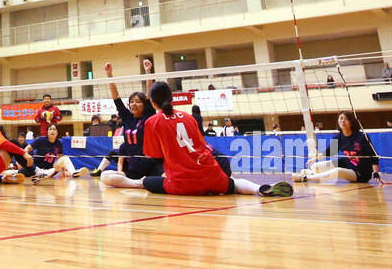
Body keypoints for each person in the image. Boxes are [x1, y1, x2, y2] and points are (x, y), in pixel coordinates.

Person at [101, 81, 292, 197]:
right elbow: (201, 145)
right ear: (172, 98)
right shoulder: (189, 117)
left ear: (151, 102)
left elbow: (154, 155)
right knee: (233, 183)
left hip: (182, 182)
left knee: (142, 182)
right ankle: (259, 189)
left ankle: (135, 181)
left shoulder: (153, 122)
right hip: (211, 172)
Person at [92, 60, 159, 179]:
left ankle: (140, 181)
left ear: (144, 104)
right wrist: (109, 75)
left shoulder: (147, 116)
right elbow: (116, 99)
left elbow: (149, 95)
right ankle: (130, 180)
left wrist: (148, 72)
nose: (134, 104)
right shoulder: (127, 117)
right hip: (131, 166)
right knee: (106, 176)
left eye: (138, 102)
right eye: (131, 102)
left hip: (147, 164)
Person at [295, 112, 381, 184]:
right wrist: (314, 158)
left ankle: (306, 178)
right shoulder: (338, 137)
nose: (343, 121)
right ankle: (312, 173)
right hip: (347, 164)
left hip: (361, 172)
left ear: (351, 122)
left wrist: (376, 173)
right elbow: (330, 152)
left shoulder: (361, 137)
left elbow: (373, 156)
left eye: (346, 119)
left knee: (337, 171)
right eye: (341, 118)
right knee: (315, 166)